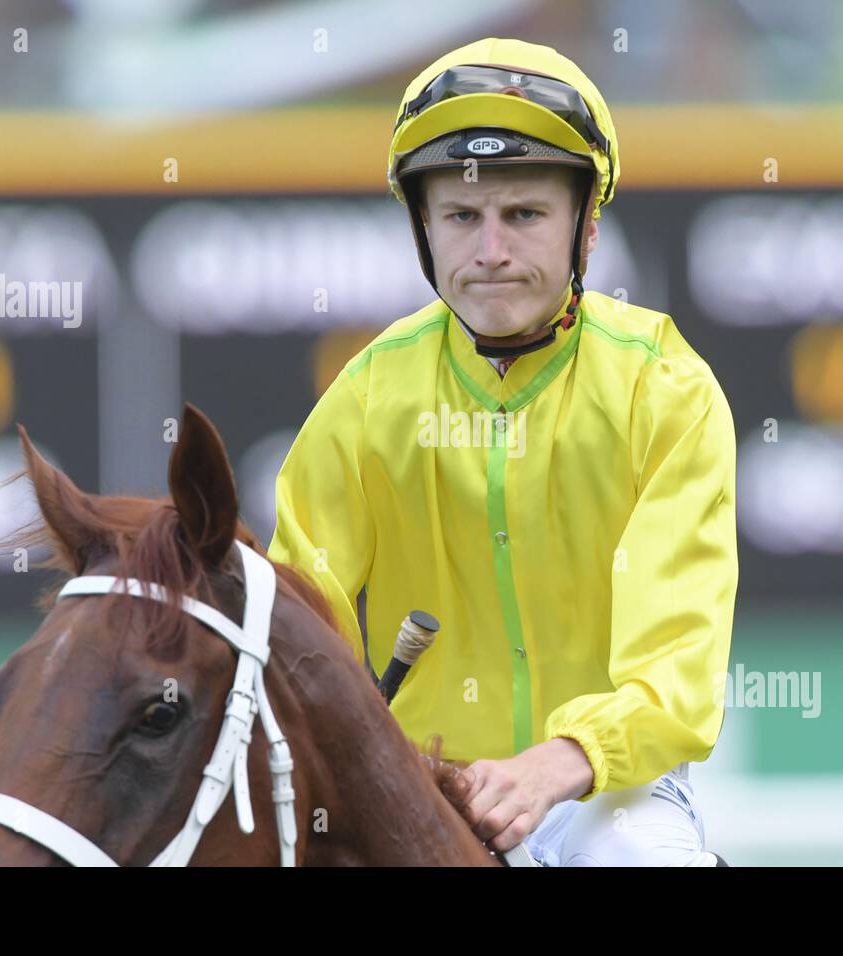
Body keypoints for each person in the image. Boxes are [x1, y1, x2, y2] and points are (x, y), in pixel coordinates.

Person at [268, 37, 737, 866]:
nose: (490, 251)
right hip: (412, 793)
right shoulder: (368, 395)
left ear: (586, 226)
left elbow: (677, 670)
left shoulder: (666, 389)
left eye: (523, 214)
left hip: (607, 795)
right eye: (461, 217)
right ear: (424, 227)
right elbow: (301, 630)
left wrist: (563, 761)